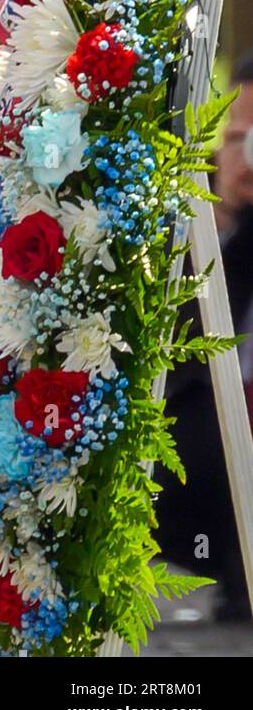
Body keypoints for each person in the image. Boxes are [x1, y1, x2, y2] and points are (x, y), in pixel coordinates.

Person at [156, 49, 253, 621]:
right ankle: (234, 575)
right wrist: (220, 222)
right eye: (239, 139)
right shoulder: (209, 232)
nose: (247, 159)